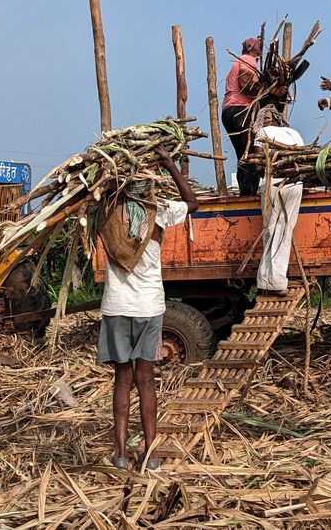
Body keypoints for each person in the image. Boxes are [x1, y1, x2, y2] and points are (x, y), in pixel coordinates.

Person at [97, 147, 199, 470]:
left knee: (122, 380)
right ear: (150, 185)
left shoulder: (108, 211)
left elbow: (91, 195)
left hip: (116, 308)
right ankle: (151, 455)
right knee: (146, 380)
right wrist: (170, 165)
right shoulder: (159, 211)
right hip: (149, 308)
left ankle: (120, 454)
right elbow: (193, 203)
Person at [252, 106, 304, 297]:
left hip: (273, 182)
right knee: (284, 229)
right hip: (295, 183)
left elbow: (258, 159)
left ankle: (273, 282)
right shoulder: (294, 133)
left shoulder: (263, 132)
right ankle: (267, 280)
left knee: (271, 229)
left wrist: (257, 172)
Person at [221, 37, 264, 196]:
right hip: (240, 109)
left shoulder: (237, 61)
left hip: (228, 110)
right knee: (252, 150)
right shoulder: (248, 59)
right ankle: (249, 194)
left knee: (242, 154)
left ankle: (244, 192)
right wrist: (266, 88)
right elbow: (245, 83)